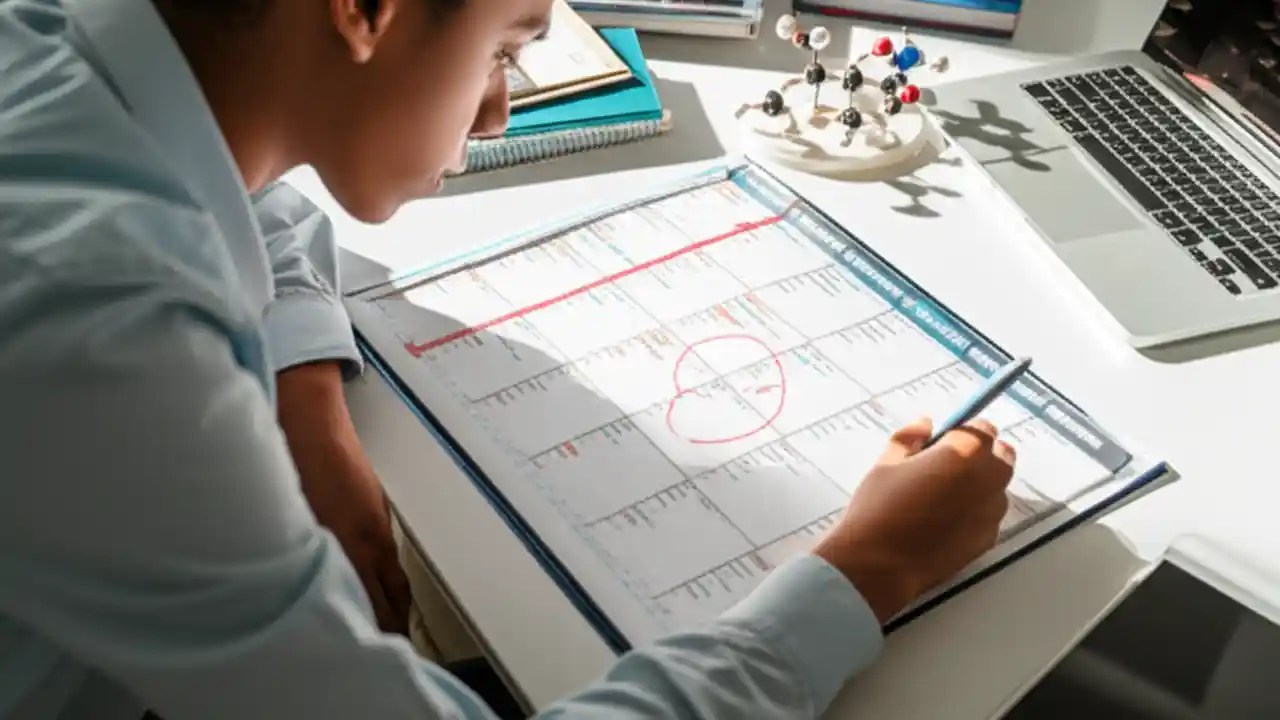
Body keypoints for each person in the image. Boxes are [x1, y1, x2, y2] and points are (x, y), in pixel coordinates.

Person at [0, 0, 1017, 718]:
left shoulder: (65, 42)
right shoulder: (106, 331)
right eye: (505, 48)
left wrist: (299, 385)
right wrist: (865, 572)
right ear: (364, 9)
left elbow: (255, 192)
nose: (495, 115)